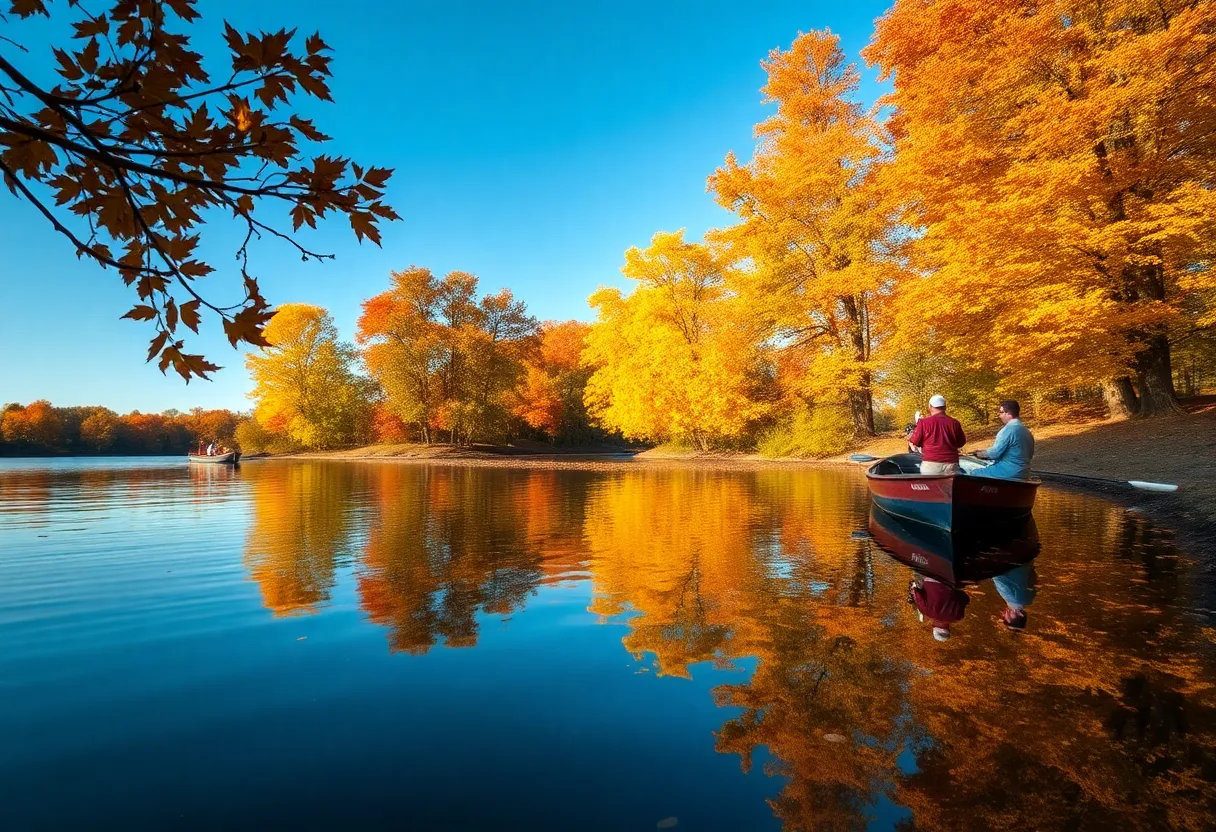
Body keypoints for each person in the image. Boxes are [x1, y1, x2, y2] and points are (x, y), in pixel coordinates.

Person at [972, 399, 1034, 480]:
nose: (999, 415)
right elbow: (1030, 454)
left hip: (1008, 472)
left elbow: (994, 453)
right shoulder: (1027, 432)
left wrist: (979, 453)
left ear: (1008, 413)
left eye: (1001, 412)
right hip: (1025, 474)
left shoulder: (1007, 430)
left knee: (973, 472)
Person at [907, 395, 967, 475]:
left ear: (930, 407)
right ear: (945, 407)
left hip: (931, 464)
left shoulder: (923, 423)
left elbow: (915, 441)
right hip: (951, 463)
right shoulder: (954, 423)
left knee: (931, 487)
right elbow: (961, 443)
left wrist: (911, 437)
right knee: (952, 487)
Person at [910, 574, 969, 641]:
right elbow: (916, 593)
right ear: (934, 626)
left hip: (952, 581)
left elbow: (965, 598)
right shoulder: (927, 612)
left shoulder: (959, 616)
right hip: (930, 578)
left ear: (948, 628)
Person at [992, 562, 1037, 631]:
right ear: (1020, 615)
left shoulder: (1029, 599)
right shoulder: (1010, 595)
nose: (1003, 616)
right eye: (1008, 618)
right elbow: (995, 573)